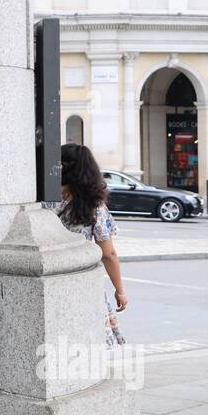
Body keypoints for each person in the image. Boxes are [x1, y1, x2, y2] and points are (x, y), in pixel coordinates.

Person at [47, 142, 128, 347]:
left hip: (50, 277)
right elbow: (108, 254)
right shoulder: (94, 206)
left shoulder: (45, 199)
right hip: (81, 278)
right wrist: (119, 290)